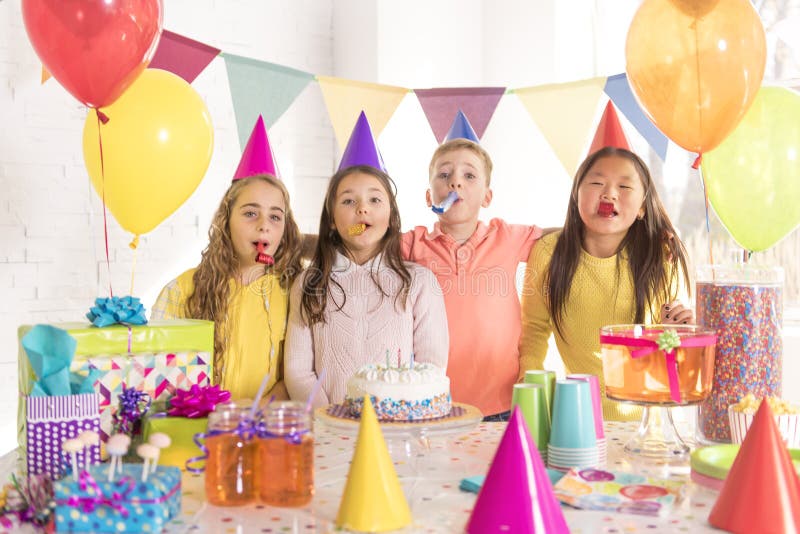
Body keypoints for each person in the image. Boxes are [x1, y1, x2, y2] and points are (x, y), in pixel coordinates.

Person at [519, 146, 693, 420]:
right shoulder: (548, 253)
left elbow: (672, 355)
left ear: (642, 208)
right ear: (576, 194)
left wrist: (676, 335)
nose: (609, 194)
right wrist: (528, 398)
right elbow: (533, 332)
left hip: (647, 426)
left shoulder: (661, 256)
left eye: (624, 186)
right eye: (597, 183)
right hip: (576, 420)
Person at [402, 113, 544, 420]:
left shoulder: (507, 236)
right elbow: (363, 245)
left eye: (469, 176)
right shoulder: (414, 244)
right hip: (431, 401)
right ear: (429, 197)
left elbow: (563, 238)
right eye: (444, 175)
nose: (455, 181)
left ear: (487, 196)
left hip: (502, 401)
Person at [152, 116, 303, 402]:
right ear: (226, 221)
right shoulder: (181, 291)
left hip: (266, 429)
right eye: (250, 213)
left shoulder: (295, 290)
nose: (263, 225)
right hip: (199, 430)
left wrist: (267, 403)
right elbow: (158, 375)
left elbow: (302, 371)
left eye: (275, 216)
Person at [284, 164, 449, 407]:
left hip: (396, 431)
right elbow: (298, 372)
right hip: (328, 431)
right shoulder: (308, 284)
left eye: (374, 200)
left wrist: (396, 415)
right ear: (331, 220)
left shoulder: (420, 283)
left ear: (391, 218)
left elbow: (431, 367)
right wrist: (329, 419)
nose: (362, 208)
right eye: (349, 201)